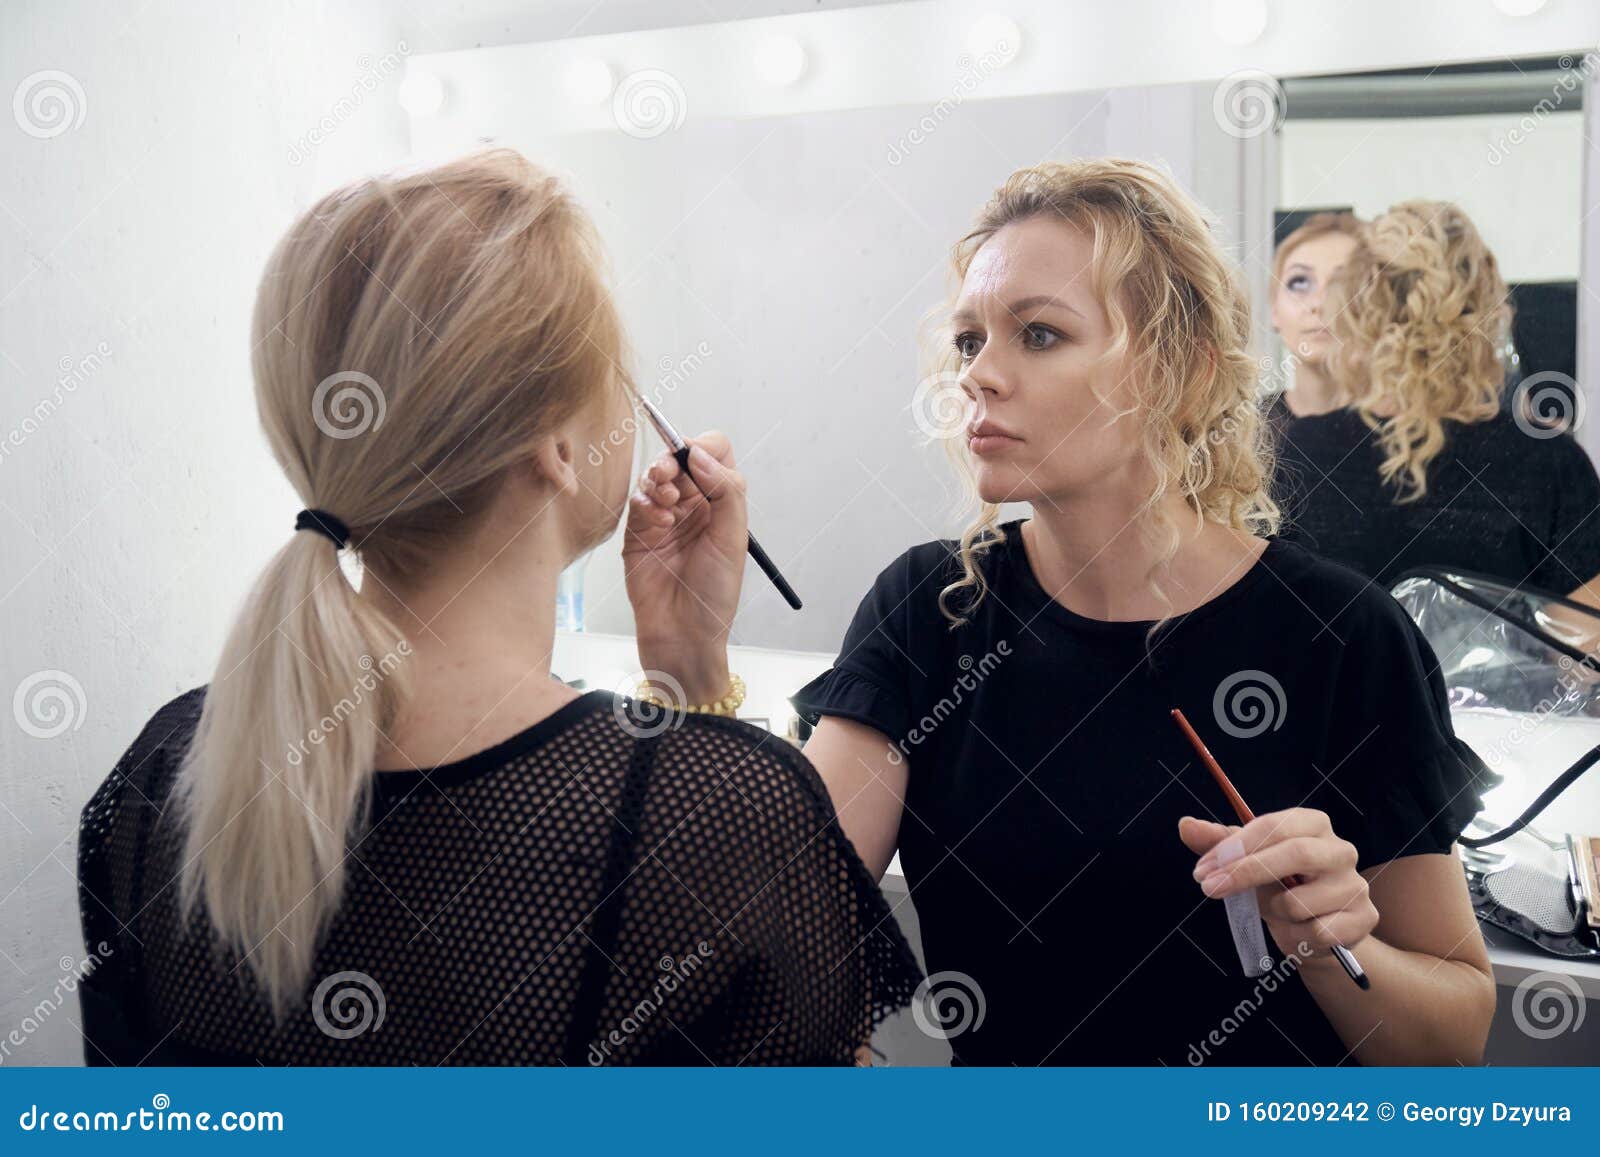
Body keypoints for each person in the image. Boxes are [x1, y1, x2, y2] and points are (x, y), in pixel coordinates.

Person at [629, 159, 1500, 1065]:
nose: (979, 377)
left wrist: (1329, 946)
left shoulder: (1341, 636)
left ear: (1180, 368)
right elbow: (763, 942)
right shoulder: (930, 613)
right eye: (970, 341)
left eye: (1038, 334)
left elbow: (1452, 1042)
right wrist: (689, 659)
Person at [75, 149, 922, 1066]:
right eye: (619, 379)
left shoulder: (161, 775)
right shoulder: (735, 813)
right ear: (556, 445)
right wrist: (692, 690)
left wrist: (681, 664)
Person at [1271, 201, 1600, 600]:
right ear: (1486, 309)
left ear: (1356, 312)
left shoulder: (1292, 457)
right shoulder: (1552, 465)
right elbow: (1582, 643)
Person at [1265, 211, 1361, 420]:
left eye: (1343, 285)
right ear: (1274, 310)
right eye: (1299, 282)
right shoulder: (1241, 432)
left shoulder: (1406, 432)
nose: (1319, 304)